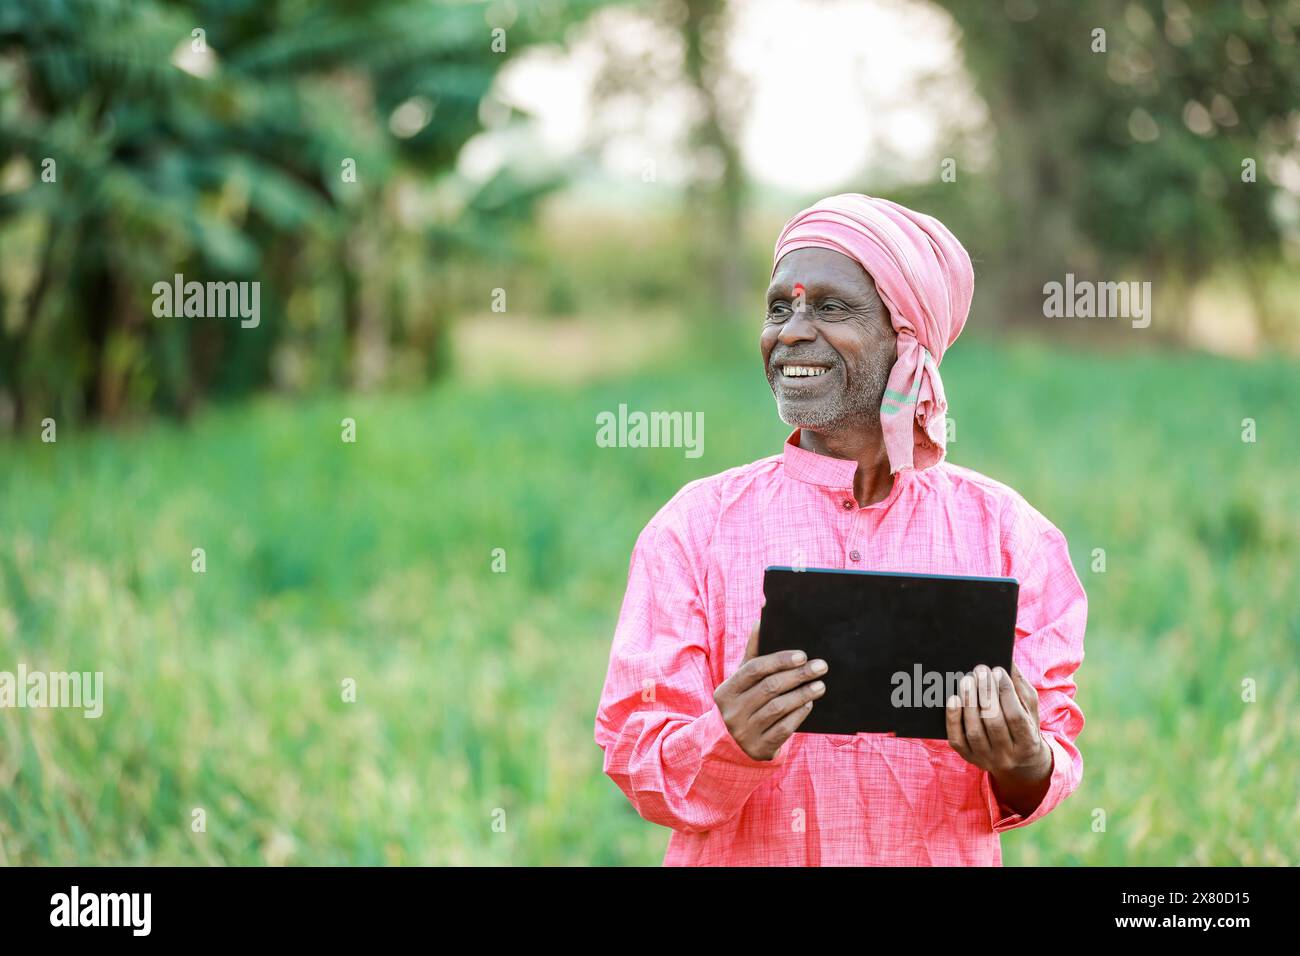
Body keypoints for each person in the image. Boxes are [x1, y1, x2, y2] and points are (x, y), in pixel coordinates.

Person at [593, 193, 1087, 865]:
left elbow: (1048, 757)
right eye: (779, 307)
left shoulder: (1009, 536)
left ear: (906, 336)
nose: (791, 331)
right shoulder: (693, 528)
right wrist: (728, 738)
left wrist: (1021, 757)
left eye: (830, 307)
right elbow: (635, 755)